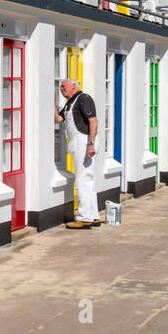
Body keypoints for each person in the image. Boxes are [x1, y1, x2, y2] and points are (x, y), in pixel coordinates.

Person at [56, 78, 101, 228]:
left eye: (64, 86)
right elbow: (58, 119)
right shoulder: (70, 103)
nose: (61, 89)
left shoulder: (84, 99)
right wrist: (51, 101)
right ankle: (93, 216)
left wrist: (91, 144)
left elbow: (93, 121)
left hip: (84, 141)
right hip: (79, 142)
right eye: (60, 87)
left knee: (82, 179)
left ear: (74, 87)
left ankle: (84, 218)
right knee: (88, 179)